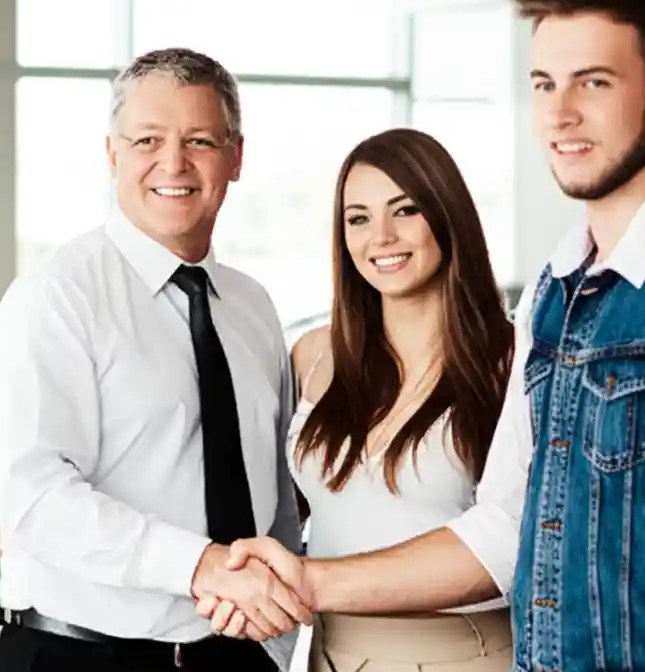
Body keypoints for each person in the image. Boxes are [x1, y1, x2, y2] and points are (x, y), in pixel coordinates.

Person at [201, 0, 645, 672]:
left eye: (593, 82)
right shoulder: (553, 295)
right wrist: (310, 579)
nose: (560, 113)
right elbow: (506, 532)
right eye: (543, 84)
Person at [0, 47, 309, 672]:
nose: (173, 163)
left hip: (236, 657)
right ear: (112, 155)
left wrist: (272, 643)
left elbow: (277, 498)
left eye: (200, 141)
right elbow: (37, 500)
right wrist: (203, 567)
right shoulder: (55, 299)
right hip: (84, 656)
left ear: (236, 157)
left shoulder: (252, 307)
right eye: (148, 139)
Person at [205, 128, 516, 670]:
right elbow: (282, 513)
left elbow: (518, 538)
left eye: (406, 211)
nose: (382, 237)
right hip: (329, 652)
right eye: (358, 218)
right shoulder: (314, 356)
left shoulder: (509, 363)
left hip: (464, 653)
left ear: (448, 216)